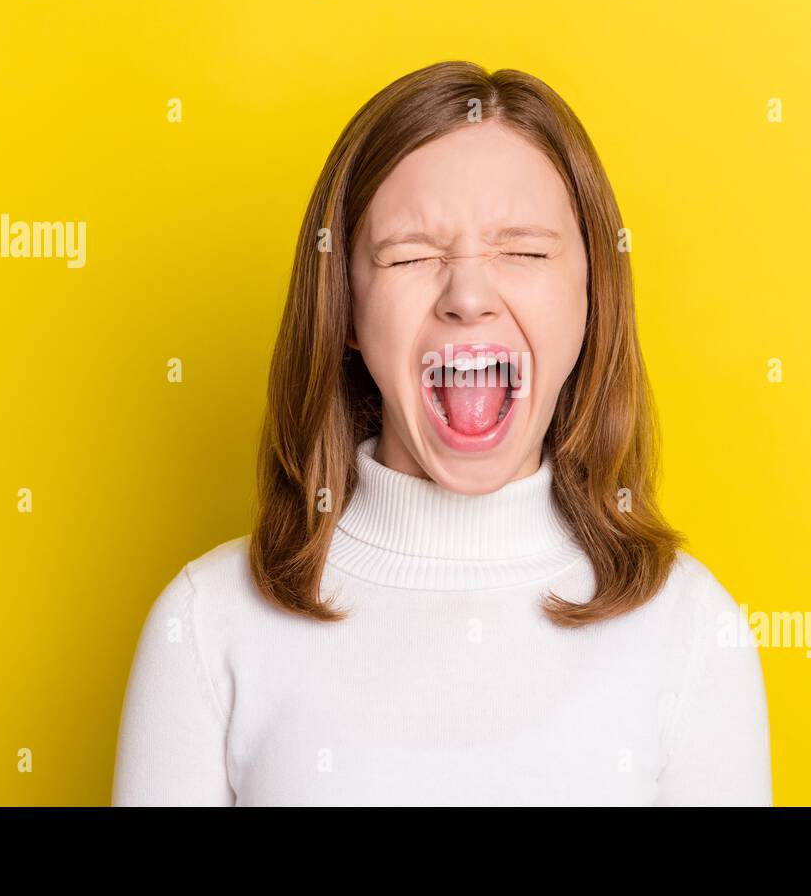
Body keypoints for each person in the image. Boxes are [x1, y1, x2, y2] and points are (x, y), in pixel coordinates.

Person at [112, 61, 772, 805]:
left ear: (591, 295)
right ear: (346, 308)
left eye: (523, 250)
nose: (467, 295)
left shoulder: (690, 630)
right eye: (410, 255)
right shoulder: (207, 625)